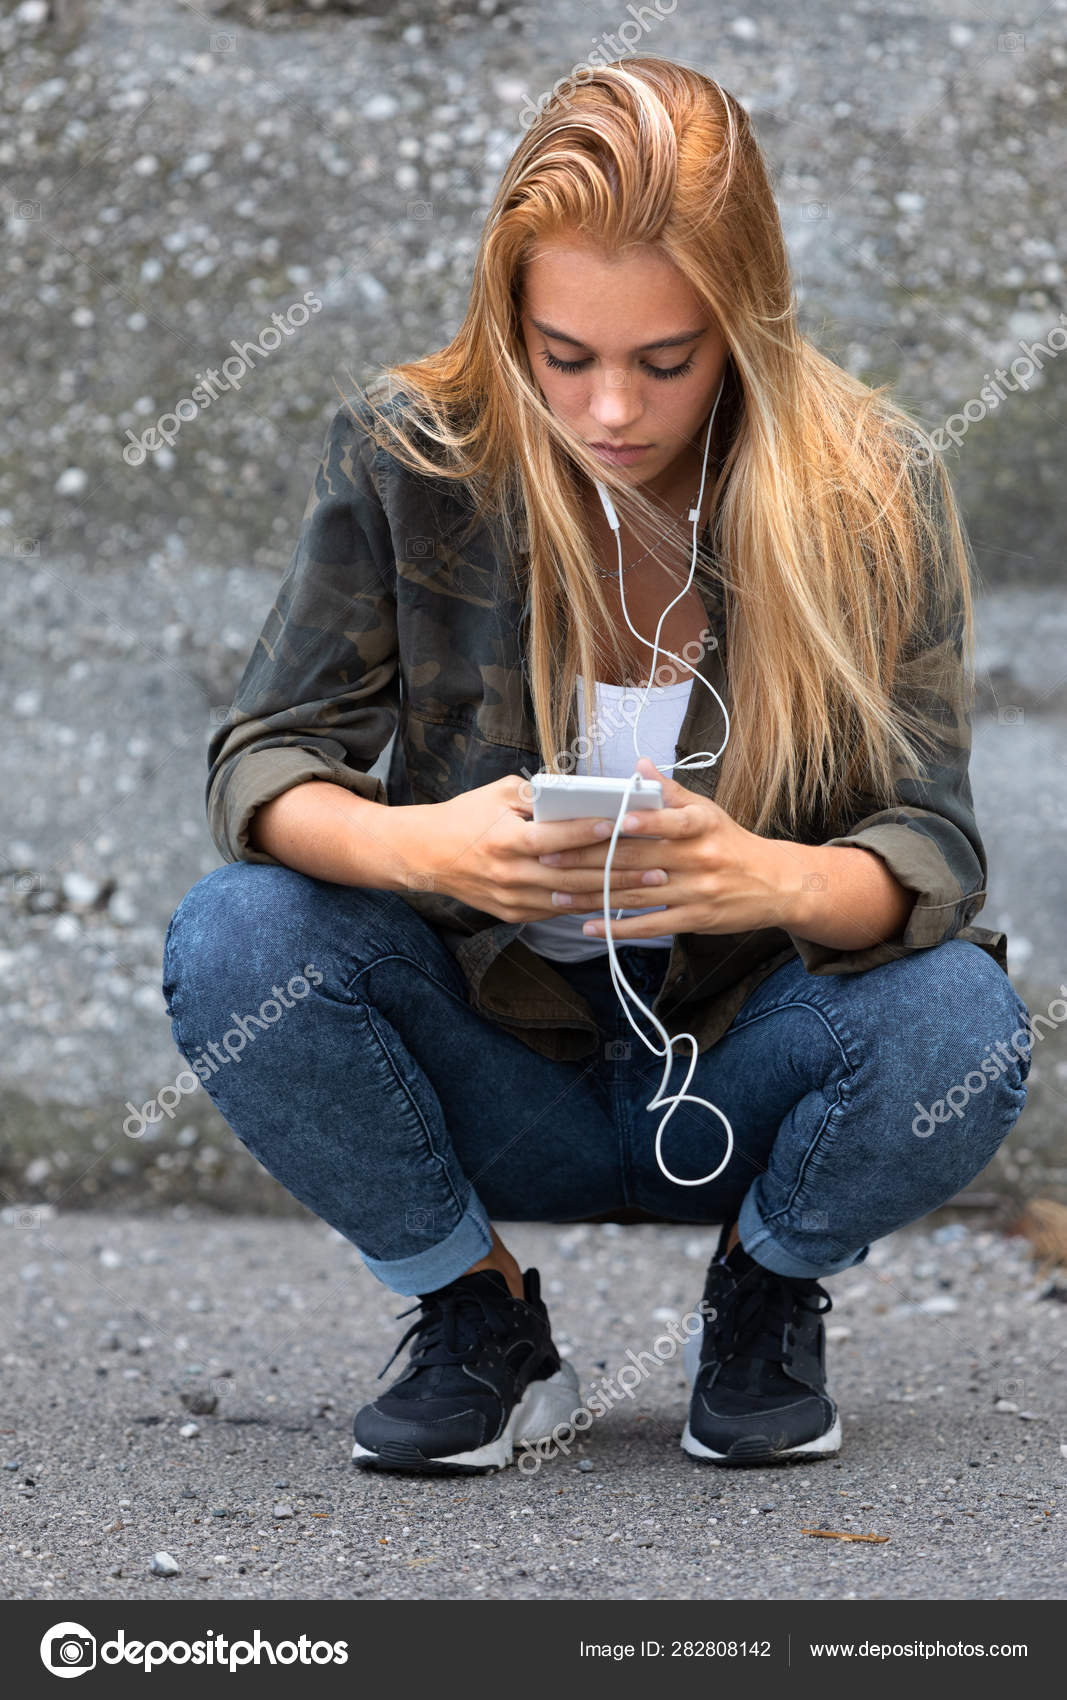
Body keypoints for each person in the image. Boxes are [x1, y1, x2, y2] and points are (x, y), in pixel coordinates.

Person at [162, 58, 1032, 1474]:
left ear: (742, 322)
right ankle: (481, 1319)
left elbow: (929, 849)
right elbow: (263, 764)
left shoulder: (868, 486)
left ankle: (763, 1291)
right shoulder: (413, 462)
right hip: (493, 1057)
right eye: (564, 356)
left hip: (745, 1075)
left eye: (664, 360)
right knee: (236, 938)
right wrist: (422, 849)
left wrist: (771, 879)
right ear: (508, 319)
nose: (612, 409)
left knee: (964, 1026)